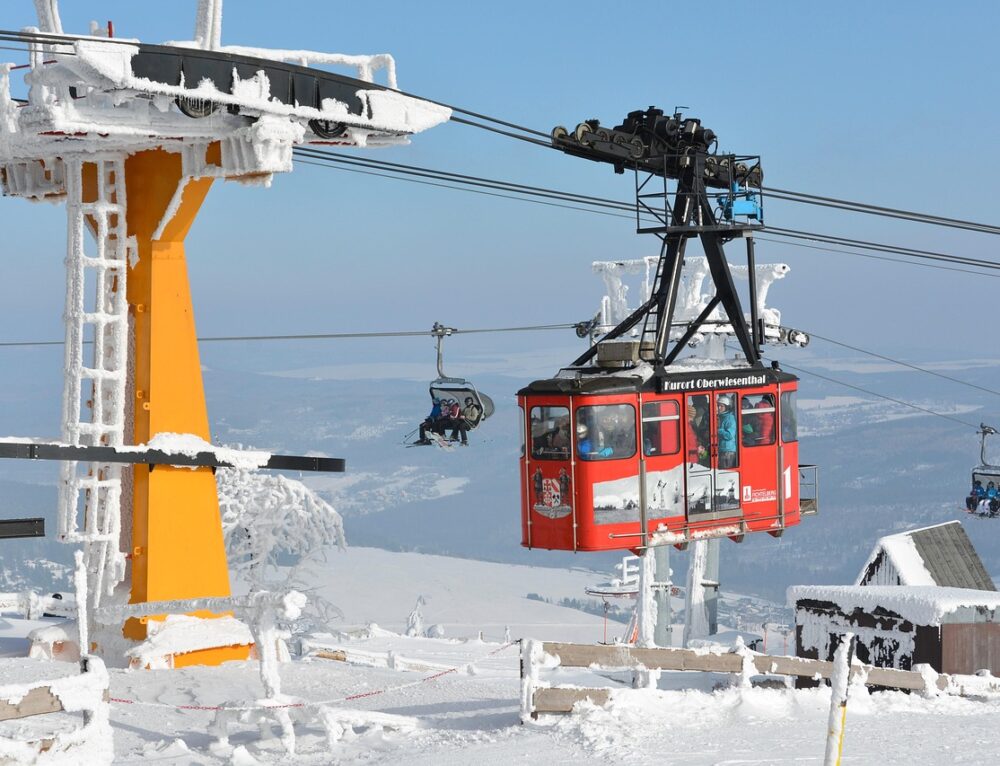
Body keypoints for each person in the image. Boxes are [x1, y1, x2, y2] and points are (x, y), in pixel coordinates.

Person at [717, 395, 737, 468]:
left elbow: (729, 435)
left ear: (727, 407)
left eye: (721, 406)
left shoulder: (729, 418)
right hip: (722, 449)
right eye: (718, 406)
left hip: (728, 451)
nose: (719, 408)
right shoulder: (721, 417)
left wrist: (718, 430)